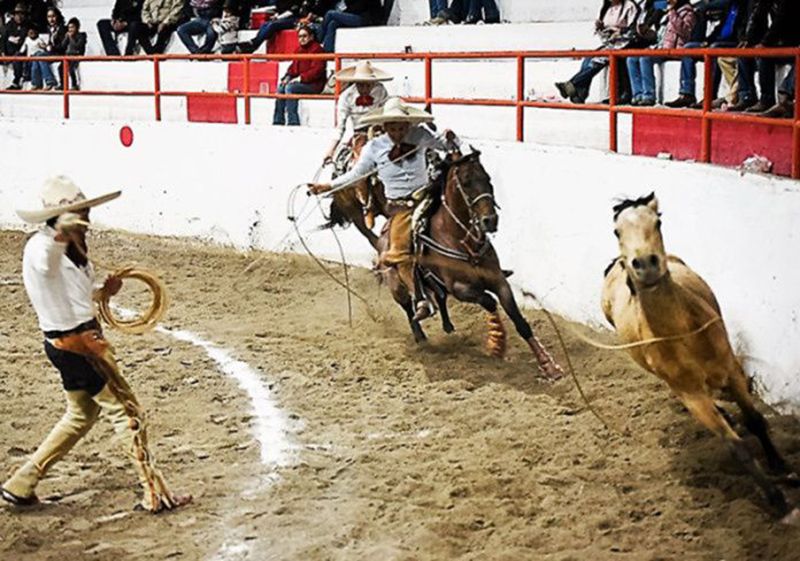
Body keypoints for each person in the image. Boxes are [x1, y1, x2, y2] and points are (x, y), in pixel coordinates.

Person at [2, 176, 191, 513]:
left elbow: (76, 289)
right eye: (80, 214)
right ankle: (154, 493)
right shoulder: (42, 247)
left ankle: (22, 483)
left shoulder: (71, 250)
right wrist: (62, 233)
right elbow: (47, 268)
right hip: (80, 345)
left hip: (72, 343)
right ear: (59, 219)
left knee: (81, 414)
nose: (86, 221)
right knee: (128, 413)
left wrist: (106, 289)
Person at [309, 98, 456, 321]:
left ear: (408, 125)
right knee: (397, 253)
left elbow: (444, 145)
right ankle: (421, 298)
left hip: (426, 197)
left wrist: (450, 138)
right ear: (385, 127)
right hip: (400, 207)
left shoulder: (420, 135)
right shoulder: (373, 148)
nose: (398, 132)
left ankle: (475, 261)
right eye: (393, 128)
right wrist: (328, 186)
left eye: (402, 127)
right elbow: (356, 173)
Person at [664, 0, 747, 108]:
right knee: (688, 48)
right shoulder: (730, 6)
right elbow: (720, 28)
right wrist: (707, 41)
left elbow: (684, 31)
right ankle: (687, 93)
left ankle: (709, 95)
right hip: (718, 41)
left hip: (733, 42)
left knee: (713, 49)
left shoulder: (744, 6)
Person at [554, 0, 638, 104]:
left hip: (625, 44)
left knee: (598, 61)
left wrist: (619, 32)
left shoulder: (630, 6)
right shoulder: (606, 8)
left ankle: (572, 85)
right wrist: (601, 29)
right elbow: (602, 32)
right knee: (587, 60)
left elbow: (634, 31)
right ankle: (580, 92)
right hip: (609, 44)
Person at [626, 0, 695, 106]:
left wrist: (672, 13)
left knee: (645, 58)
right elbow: (660, 34)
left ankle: (649, 95)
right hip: (662, 47)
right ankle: (638, 94)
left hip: (677, 48)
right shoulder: (664, 12)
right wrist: (645, 32)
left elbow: (685, 32)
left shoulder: (687, 12)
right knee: (631, 59)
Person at [323, 60, 391, 165]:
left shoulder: (380, 90)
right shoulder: (346, 96)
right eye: (361, 85)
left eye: (368, 85)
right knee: (360, 162)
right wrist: (331, 150)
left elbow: (388, 112)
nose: (365, 89)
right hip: (360, 133)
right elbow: (340, 126)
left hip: (380, 130)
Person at [273, 23, 326, 125]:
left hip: (314, 85)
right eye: (300, 36)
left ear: (311, 37)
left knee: (290, 88)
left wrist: (300, 78)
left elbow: (317, 71)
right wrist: (287, 77)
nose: (302, 39)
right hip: (301, 82)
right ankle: (278, 121)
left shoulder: (318, 49)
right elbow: (293, 68)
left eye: (304, 36)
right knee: (281, 88)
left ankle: (293, 121)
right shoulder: (298, 50)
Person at [238, 0, 333, 53]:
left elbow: (294, 11)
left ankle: (253, 44)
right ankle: (254, 42)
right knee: (265, 24)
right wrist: (277, 16)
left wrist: (278, 17)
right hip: (287, 17)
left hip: (296, 19)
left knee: (273, 25)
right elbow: (282, 10)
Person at [319, 0, 383, 53]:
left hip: (366, 19)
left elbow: (358, 8)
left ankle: (317, 39)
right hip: (356, 16)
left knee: (330, 14)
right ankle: (328, 51)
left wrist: (342, 14)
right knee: (333, 24)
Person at [29, 6, 65, 91]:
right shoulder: (48, 29)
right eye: (49, 17)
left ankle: (50, 81)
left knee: (41, 56)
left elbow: (62, 46)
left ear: (57, 16)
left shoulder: (63, 29)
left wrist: (51, 47)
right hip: (51, 52)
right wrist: (45, 46)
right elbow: (50, 43)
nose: (51, 19)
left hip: (60, 53)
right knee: (36, 55)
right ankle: (36, 83)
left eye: (53, 16)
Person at [5, 3, 31, 90]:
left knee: (18, 56)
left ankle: (17, 80)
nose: (19, 17)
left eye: (22, 14)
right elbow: (4, 38)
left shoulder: (28, 25)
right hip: (9, 52)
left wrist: (14, 39)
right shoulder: (9, 25)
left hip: (21, 52)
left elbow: (23, 39)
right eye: (17, 14)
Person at [58, 17, 86, 90]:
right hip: (68, 55)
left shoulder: (81, 36)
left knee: (71, 68)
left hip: (76, 55)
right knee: (60, 67)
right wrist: (65, 38)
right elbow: (63, 46)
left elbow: (78, 46)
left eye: (72, 27)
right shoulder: (68, 36)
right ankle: (62, 84)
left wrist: (71, 38)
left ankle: (74, 84)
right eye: (69, 27)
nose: (70, 29)